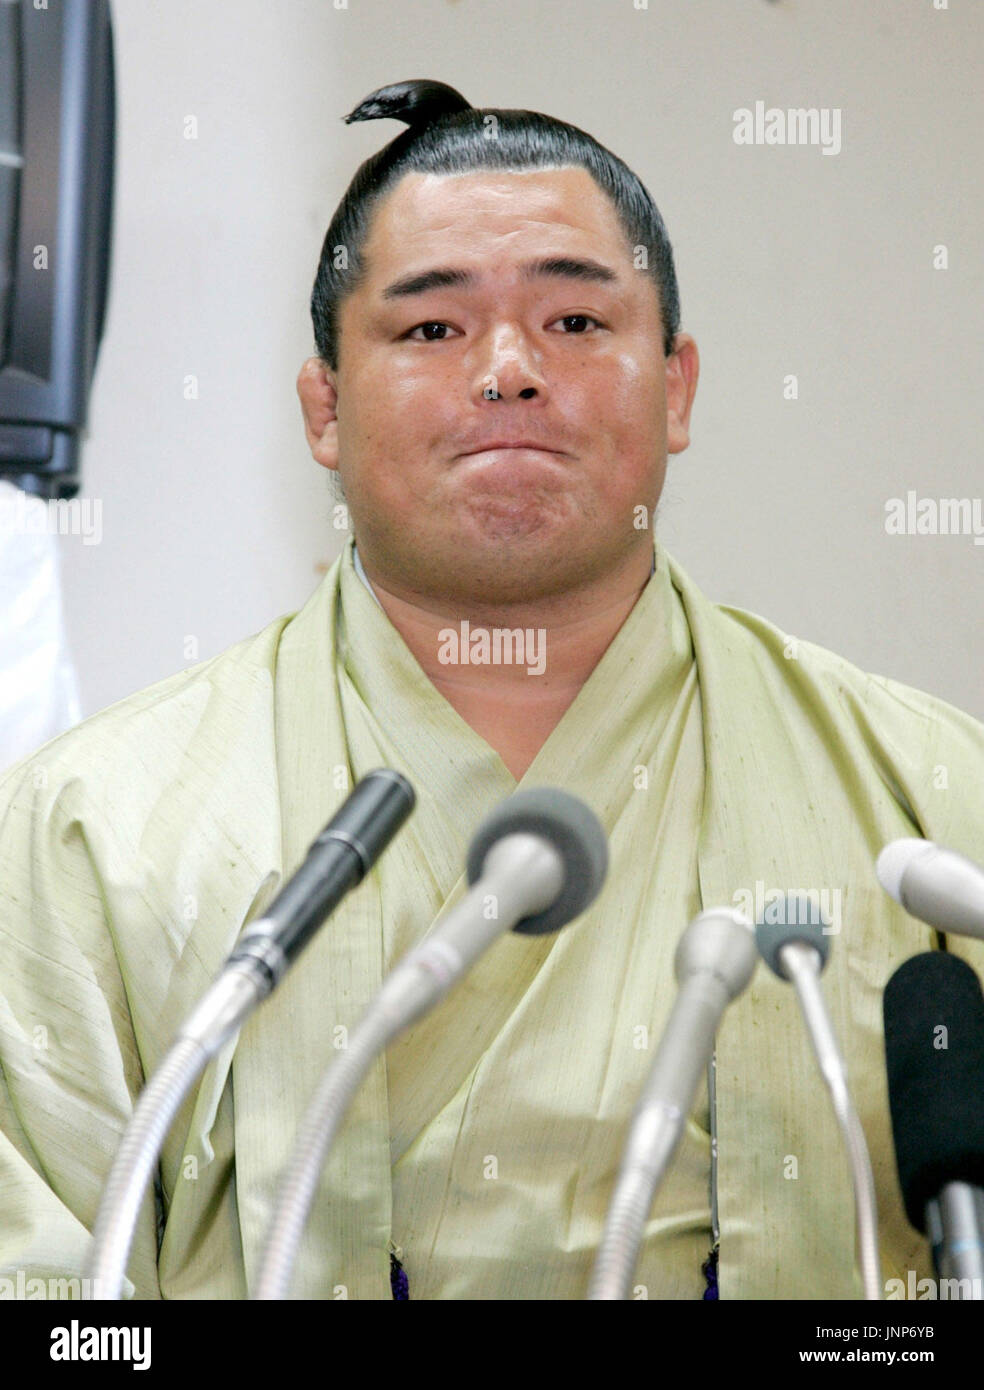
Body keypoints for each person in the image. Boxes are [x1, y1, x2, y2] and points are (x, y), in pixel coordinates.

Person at [1, 79, 982, 1302]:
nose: (509, 371)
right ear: (324, 407)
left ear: (675, 387)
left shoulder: (934, 803)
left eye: (575, 321)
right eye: (431, 330)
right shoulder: (92, 826)